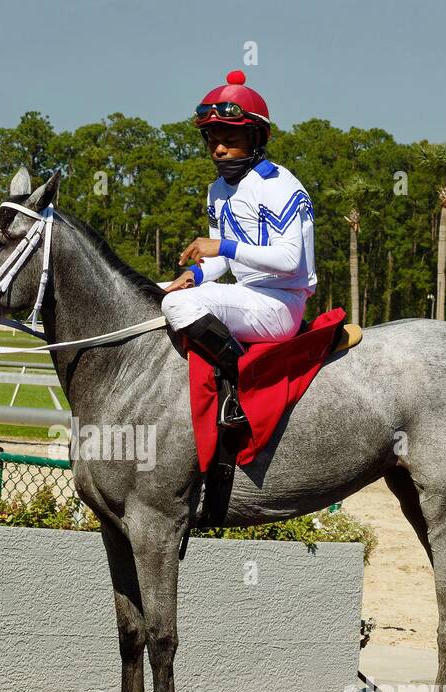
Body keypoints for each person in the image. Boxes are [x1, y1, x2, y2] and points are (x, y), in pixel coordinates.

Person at [162, 70, 317, 429]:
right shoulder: (217, 189)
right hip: (246, 295)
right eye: (212, 139)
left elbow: (289, 260)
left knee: (175, 305)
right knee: (156, 292)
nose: (218, 148)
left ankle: (241, 392)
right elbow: (220, 263)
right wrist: (193, 274)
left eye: (229, 137)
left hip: (281, 303)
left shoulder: (278, 185)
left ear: (255, 137)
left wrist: (223, 245)